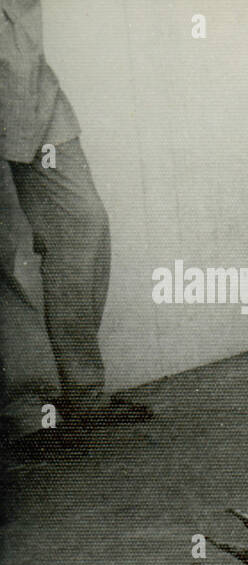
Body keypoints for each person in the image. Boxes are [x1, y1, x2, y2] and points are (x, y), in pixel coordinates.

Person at [1, 0, 150, 456]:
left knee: (82, 222)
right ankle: (28, 412)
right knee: (7, 251)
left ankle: (82, 393)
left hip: (28, 85)